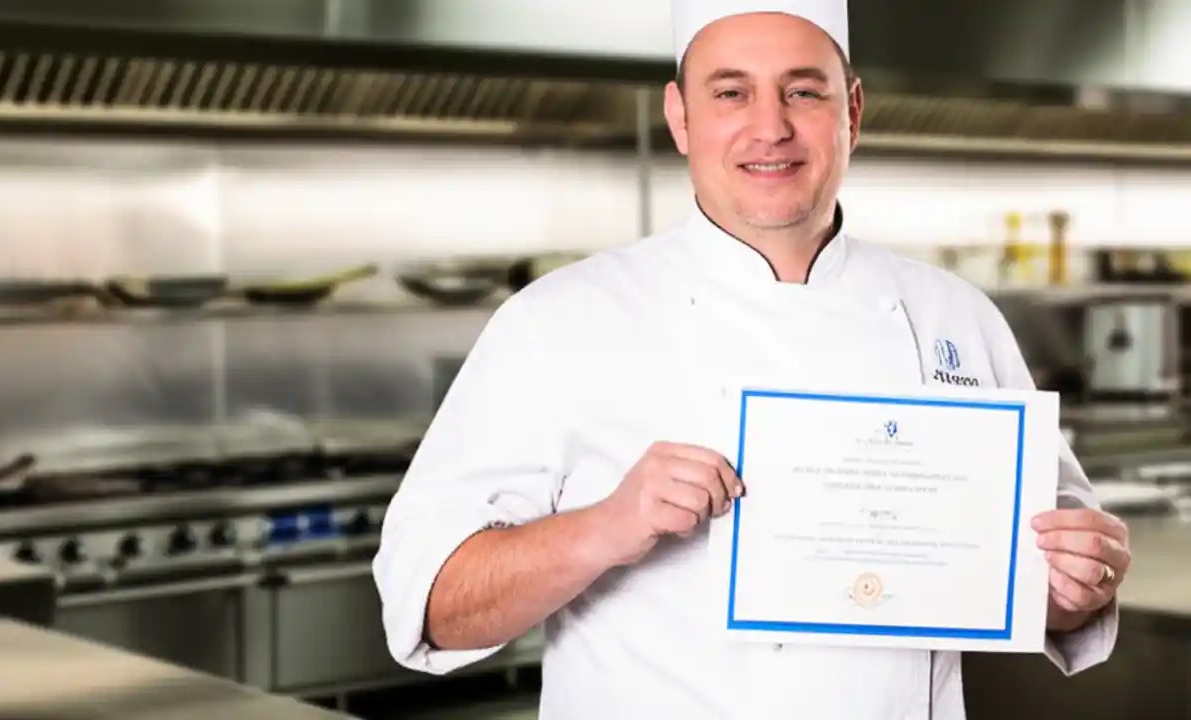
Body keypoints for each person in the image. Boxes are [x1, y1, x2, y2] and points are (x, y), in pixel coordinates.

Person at [372, 0, 1130, 717]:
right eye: (731, 92)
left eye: (803, 92)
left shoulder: (956, 317)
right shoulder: (556, 322)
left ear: (853, 112)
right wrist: (604, 526)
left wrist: (1077, 581)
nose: (770, 128)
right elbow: (433, 604)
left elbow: (1053, 589)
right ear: (680, 117)